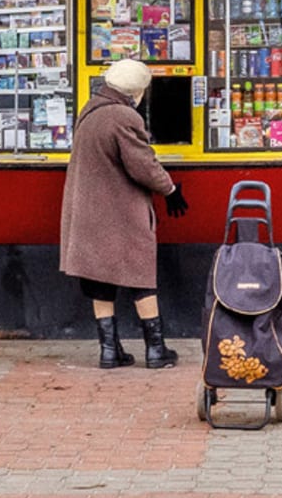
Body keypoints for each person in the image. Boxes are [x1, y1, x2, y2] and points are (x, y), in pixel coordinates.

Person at [59, 59, 188, 369]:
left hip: (89, 211)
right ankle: (156, 350)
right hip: (118, 211)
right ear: (135, 92)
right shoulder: (123, 116)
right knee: (140, 275)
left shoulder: (90, 110)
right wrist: (170, 190)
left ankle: (109, 350)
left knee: (99, 279)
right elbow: (143, 165)